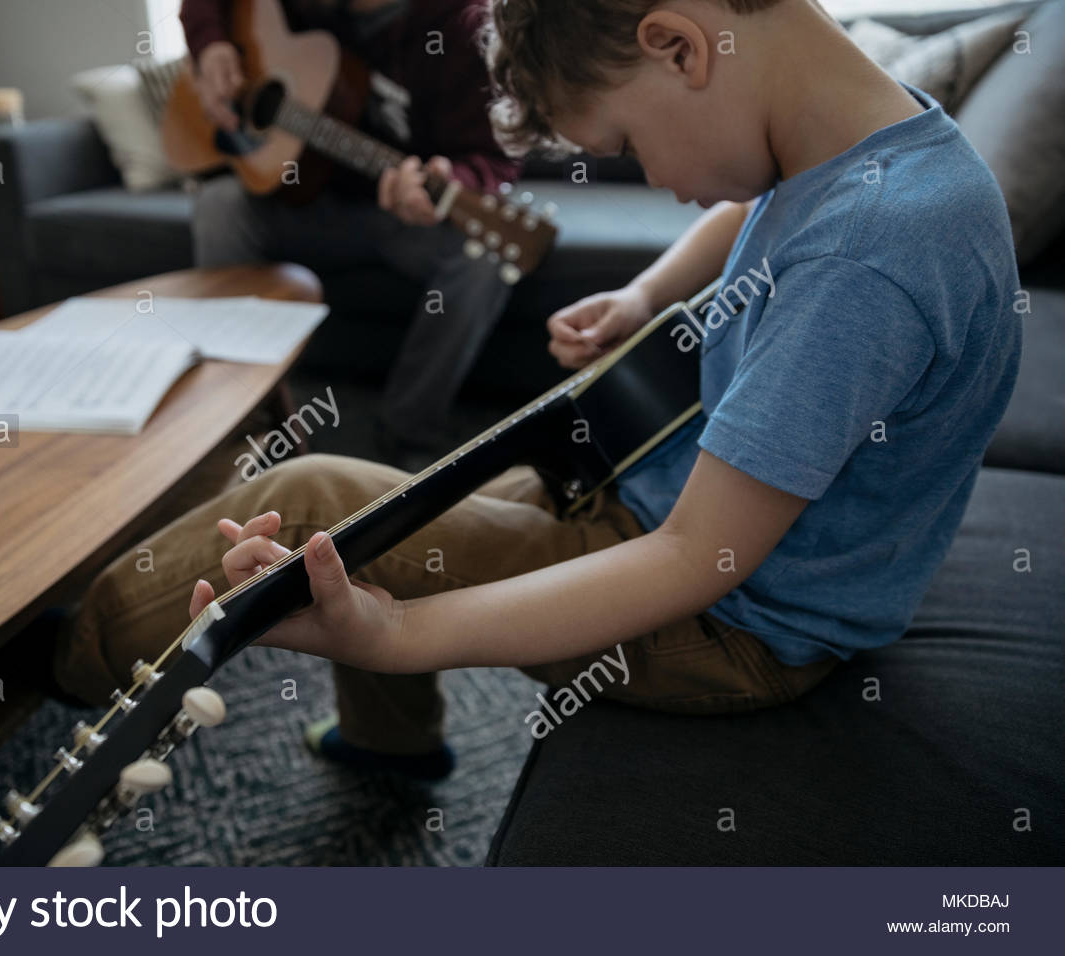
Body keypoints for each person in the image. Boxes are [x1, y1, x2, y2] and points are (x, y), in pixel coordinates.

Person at [56, 0, 1020, 781]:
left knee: (313, 501)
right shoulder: (866, 140)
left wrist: (402, 635)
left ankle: (53, 665)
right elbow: (760, 208)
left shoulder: (871, 256)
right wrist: (647, 293)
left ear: (678, 46)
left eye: (629, 145)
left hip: (729, 626)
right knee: (395, 515)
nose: (662, 182)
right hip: (660, 496)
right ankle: (390, 744)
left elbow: (698, 558)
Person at [181, 0, 520, 465]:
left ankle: (406, 438)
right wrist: (211, 44)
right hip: (304, 203)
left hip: (405, 219)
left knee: (487, 256)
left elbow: (497, 157)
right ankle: (240, 421)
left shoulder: (463, 24)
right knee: (220, 206)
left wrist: (452, 179)